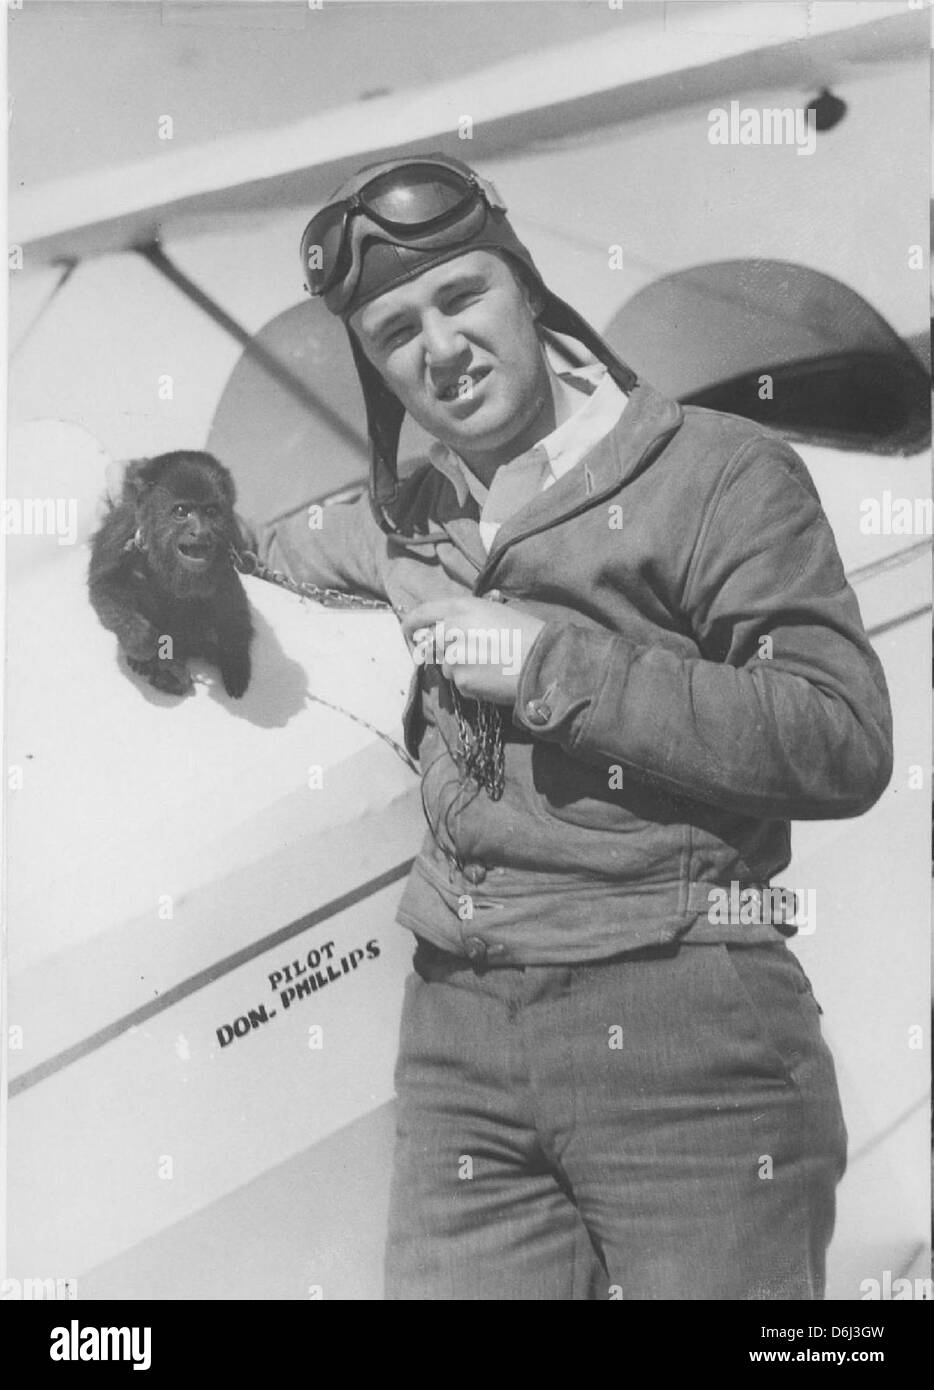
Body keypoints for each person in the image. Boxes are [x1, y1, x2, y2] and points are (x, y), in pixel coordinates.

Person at [256, 153, 893, 1300]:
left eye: (460, 298)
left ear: (526, 291)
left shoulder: (719, 473)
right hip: (457, 1034)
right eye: (395, 332)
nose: (437, 349)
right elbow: (282, 550)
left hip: (685, 1028)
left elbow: (839, 735)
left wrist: (549, 663)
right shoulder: (413, 518)